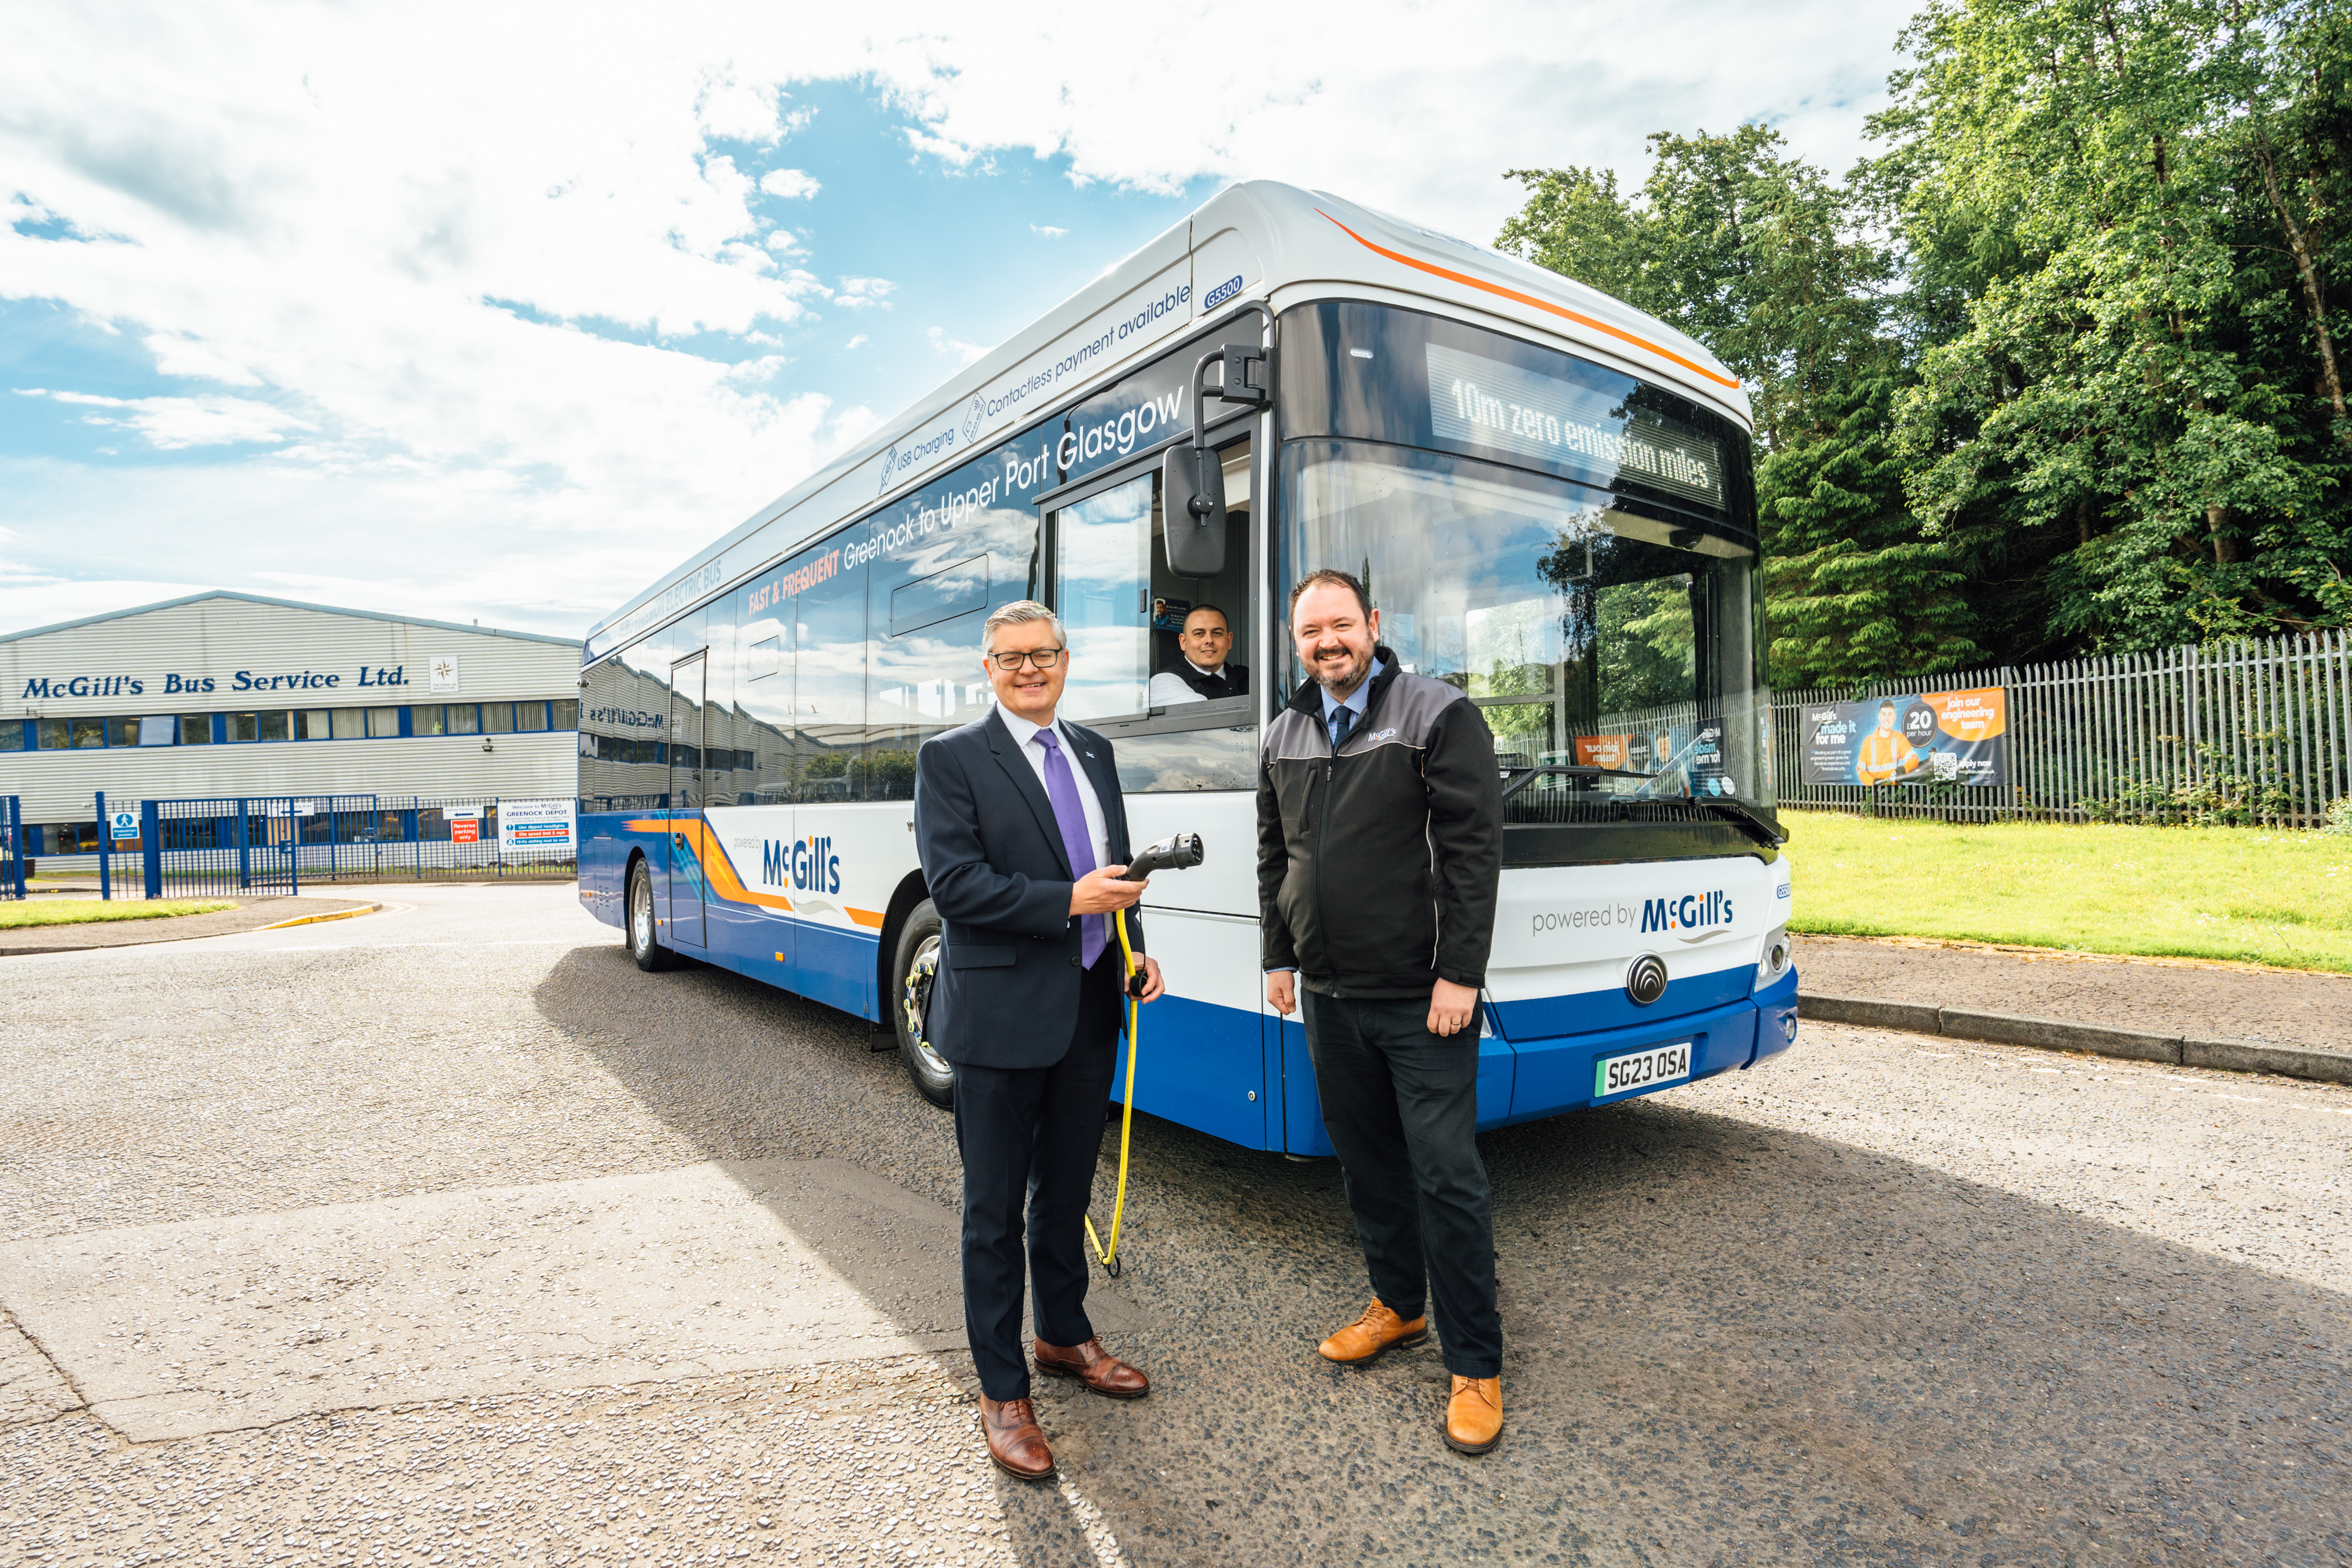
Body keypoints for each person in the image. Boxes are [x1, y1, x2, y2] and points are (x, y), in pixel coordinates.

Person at [912, 599, 1167, 1481]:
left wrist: (1136, 949)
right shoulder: (950, 758)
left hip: (1092, 1007)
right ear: (987, 667)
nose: (1030, 668)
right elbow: (955, 886)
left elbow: (1121, 876)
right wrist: (1069, 902)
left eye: (1044, 653)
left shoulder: (1093, 751)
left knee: (1064, 1194)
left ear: (1066, 659)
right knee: (993, 1213)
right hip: (997, 1021)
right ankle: (1002, 1388)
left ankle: (1063, 1334)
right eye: (1011, 656)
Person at [1256, 569, 1508, 1456]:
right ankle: (1399, 1306)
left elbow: (1474, 855)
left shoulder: (1435, 713)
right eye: (1309, 631)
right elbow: (1274, 854)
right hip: (1329, 994)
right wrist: (1280, 954)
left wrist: (1459, 974)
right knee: (1366, 1164)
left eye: (1339, 625)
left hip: (1422, 998)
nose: (1326, 641)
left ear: (1372, 624)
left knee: (1446, 1174)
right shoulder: (1284, 728)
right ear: (1296, 642)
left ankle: (1476, 1361)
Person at [1145, 603, 1251, 706]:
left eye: (1217, 633)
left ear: (1229, 641)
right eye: (1199, 634)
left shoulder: (1248, 677)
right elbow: (1210, 717)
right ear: (1183, 642)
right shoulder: (1163, 682)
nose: (1209, 640)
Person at [1855, 698, 1920, 785]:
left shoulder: (1899, 738)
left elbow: (1914, 759)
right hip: (1874, 791)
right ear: (1879, 717)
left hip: (1895, 792)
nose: (1887, 718)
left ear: (1894, 718)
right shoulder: (1868, 742)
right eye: (1884, 714)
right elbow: (1861, 770)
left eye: (1890, 714)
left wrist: (1905, 768)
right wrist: (1872, 782)